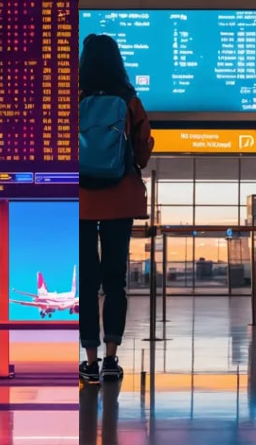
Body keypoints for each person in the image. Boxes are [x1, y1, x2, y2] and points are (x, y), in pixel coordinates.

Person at [79, 34, 154, 384]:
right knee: (115, 283)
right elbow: (141, 152)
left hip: (80, 202)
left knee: (88, 284)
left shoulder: (72, 98)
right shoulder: (129, 101)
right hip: (119, 198)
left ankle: (89, 361)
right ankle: (111, 359)